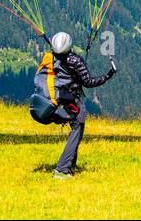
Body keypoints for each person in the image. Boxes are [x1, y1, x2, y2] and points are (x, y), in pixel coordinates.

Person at [41, 31, 115, 178]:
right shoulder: (75, 61)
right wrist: (108, 75)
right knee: (77, 131)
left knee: (76, 132)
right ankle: (61, 170)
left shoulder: (52, 59)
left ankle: (70, 166)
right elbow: (88, 82)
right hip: (74, 101)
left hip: (61, 100)